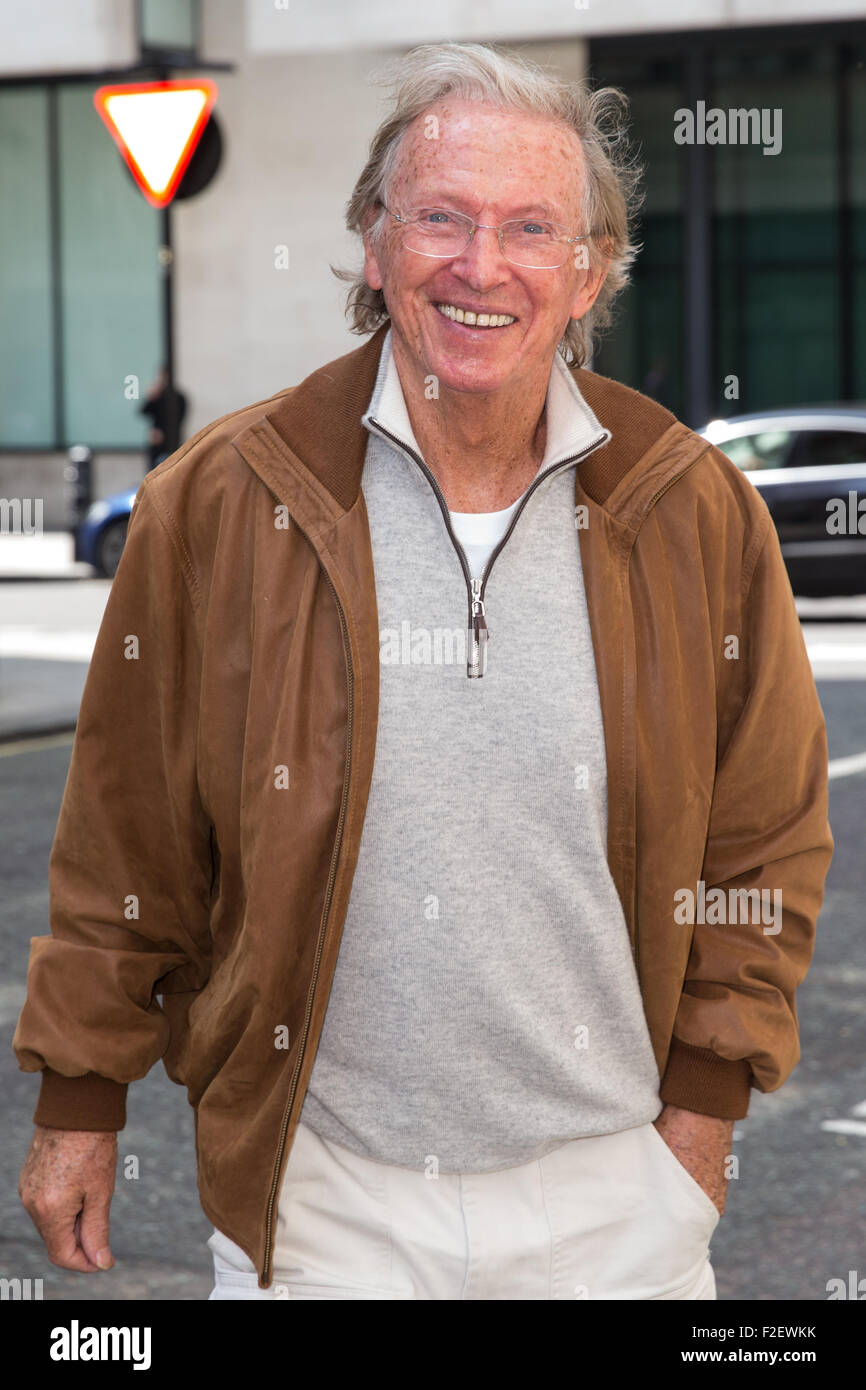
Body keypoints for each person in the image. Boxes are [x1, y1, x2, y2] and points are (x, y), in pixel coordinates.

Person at [14, 42, 833, 1301]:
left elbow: (762, 839)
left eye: (526, 229)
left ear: (586, 273)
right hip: (323, 1200)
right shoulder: (225, 499)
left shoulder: (689, 506)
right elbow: (126, 832)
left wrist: (698, 1122)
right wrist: (82, 1095)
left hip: (614, 1202)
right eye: (438, 217)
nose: (478, 265)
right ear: (372, 239)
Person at [138, 365, 187, 471]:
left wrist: (164, 434)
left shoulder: (179, 398)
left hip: (172, 444)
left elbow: (179, 420)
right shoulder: (157, 397)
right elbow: (143, 411)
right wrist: (151, 397)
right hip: (156, 446)